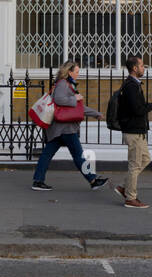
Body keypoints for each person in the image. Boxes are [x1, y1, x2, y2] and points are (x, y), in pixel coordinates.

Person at [31, 60, 109, 192]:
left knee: (47, 154)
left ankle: (38, 181)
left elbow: (76, 109)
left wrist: (95, 114)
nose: (78, 74)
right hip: (65, 128)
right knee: (78, 155)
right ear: (69, 72)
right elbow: (59, 100)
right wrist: (76, 98)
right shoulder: (63, 83)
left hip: (59, 129)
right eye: (77, 71)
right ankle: (93, 180)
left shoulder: (67, 84)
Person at [114, 54, 152, 209]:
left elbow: (137, 107)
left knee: (145, 159)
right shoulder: (131, 86)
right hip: (134, 131)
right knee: (134, 165)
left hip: (138, 131)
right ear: (134, 68)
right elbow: (138, 110)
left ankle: (123, 187)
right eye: (141, 66)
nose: (144, 68)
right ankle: (130, 198)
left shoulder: (134, 85)